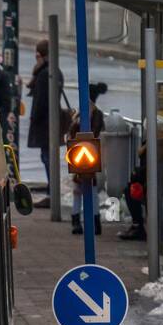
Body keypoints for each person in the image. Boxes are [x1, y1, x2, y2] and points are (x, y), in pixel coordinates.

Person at [120, 126, 163, 247]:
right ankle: (161, 249)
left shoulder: (154, 151)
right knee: (162, 222)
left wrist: (135, 174)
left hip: (158, 190)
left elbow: (146, 171)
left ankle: (157, 249)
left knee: (158, 222)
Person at [66, 81, 107, 236]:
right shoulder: (93, 112)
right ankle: (92, 222)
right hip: (87, 154)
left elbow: (78, 133)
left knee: (83, 189)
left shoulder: (85, 113)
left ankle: (79, 221)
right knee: (88, 190)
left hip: (83, 154)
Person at [26, 37, 62, 191]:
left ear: (41, 55)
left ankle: (52, 190)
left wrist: (33, 117)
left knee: (47, 156)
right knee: (47, 155)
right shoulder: (54, 71)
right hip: (50, 122)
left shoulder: (44, 74)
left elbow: (40, 101)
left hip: (45, 124)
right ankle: (51, 188)